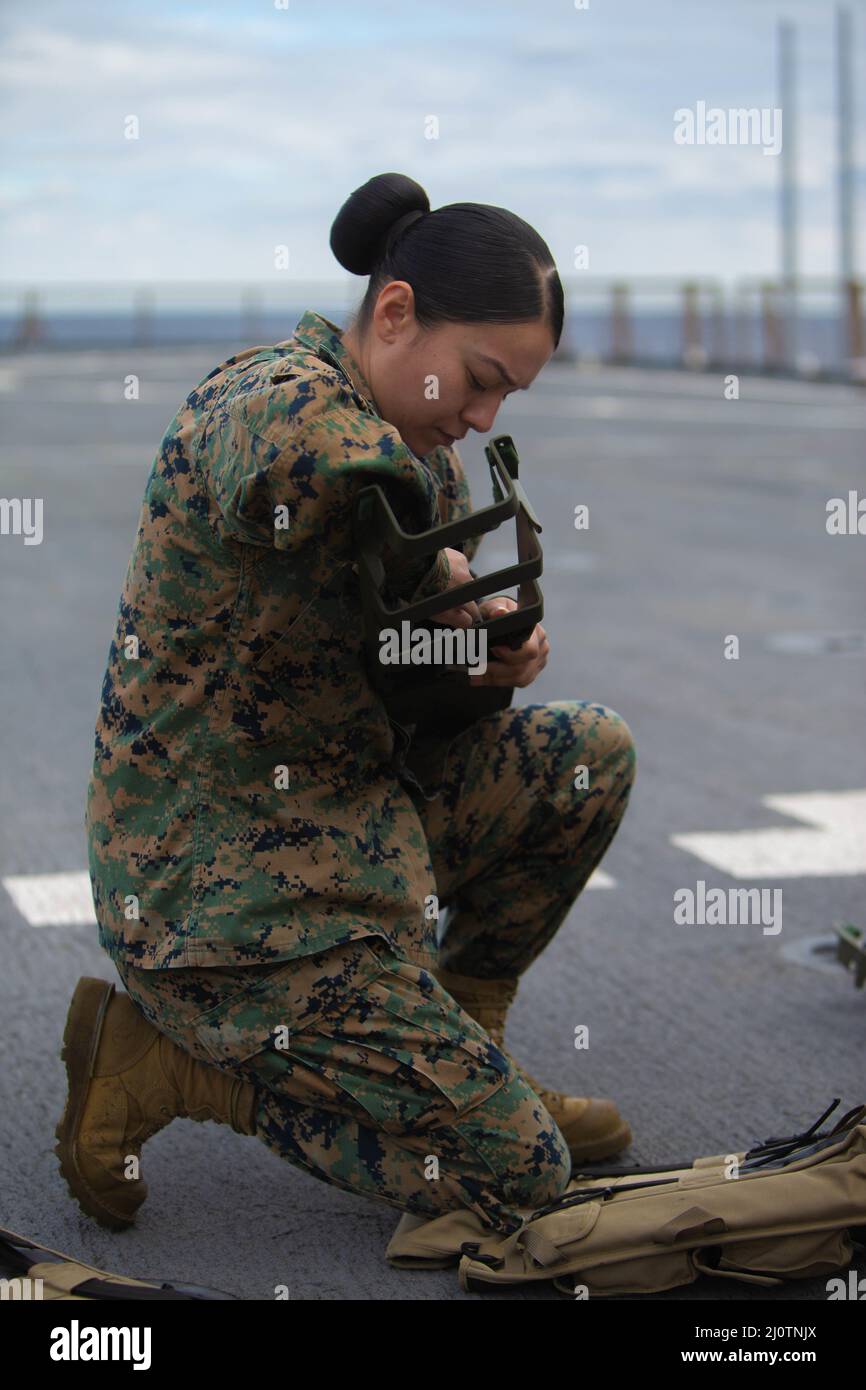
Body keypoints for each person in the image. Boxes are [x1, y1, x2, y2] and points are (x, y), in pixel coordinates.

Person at [55, 172, 637, 1242]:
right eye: (476, 379)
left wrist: (478, 666)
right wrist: (434, 542)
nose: (479, 415)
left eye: (506, 395)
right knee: (524, 1179)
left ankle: (468, 1051)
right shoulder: (269, 396)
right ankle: (167, 1065)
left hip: (354, 842)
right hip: (219, 906)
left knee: (584, 754)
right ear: (396, 312)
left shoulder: (430, 458)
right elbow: (300, 457)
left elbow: (403, 694)